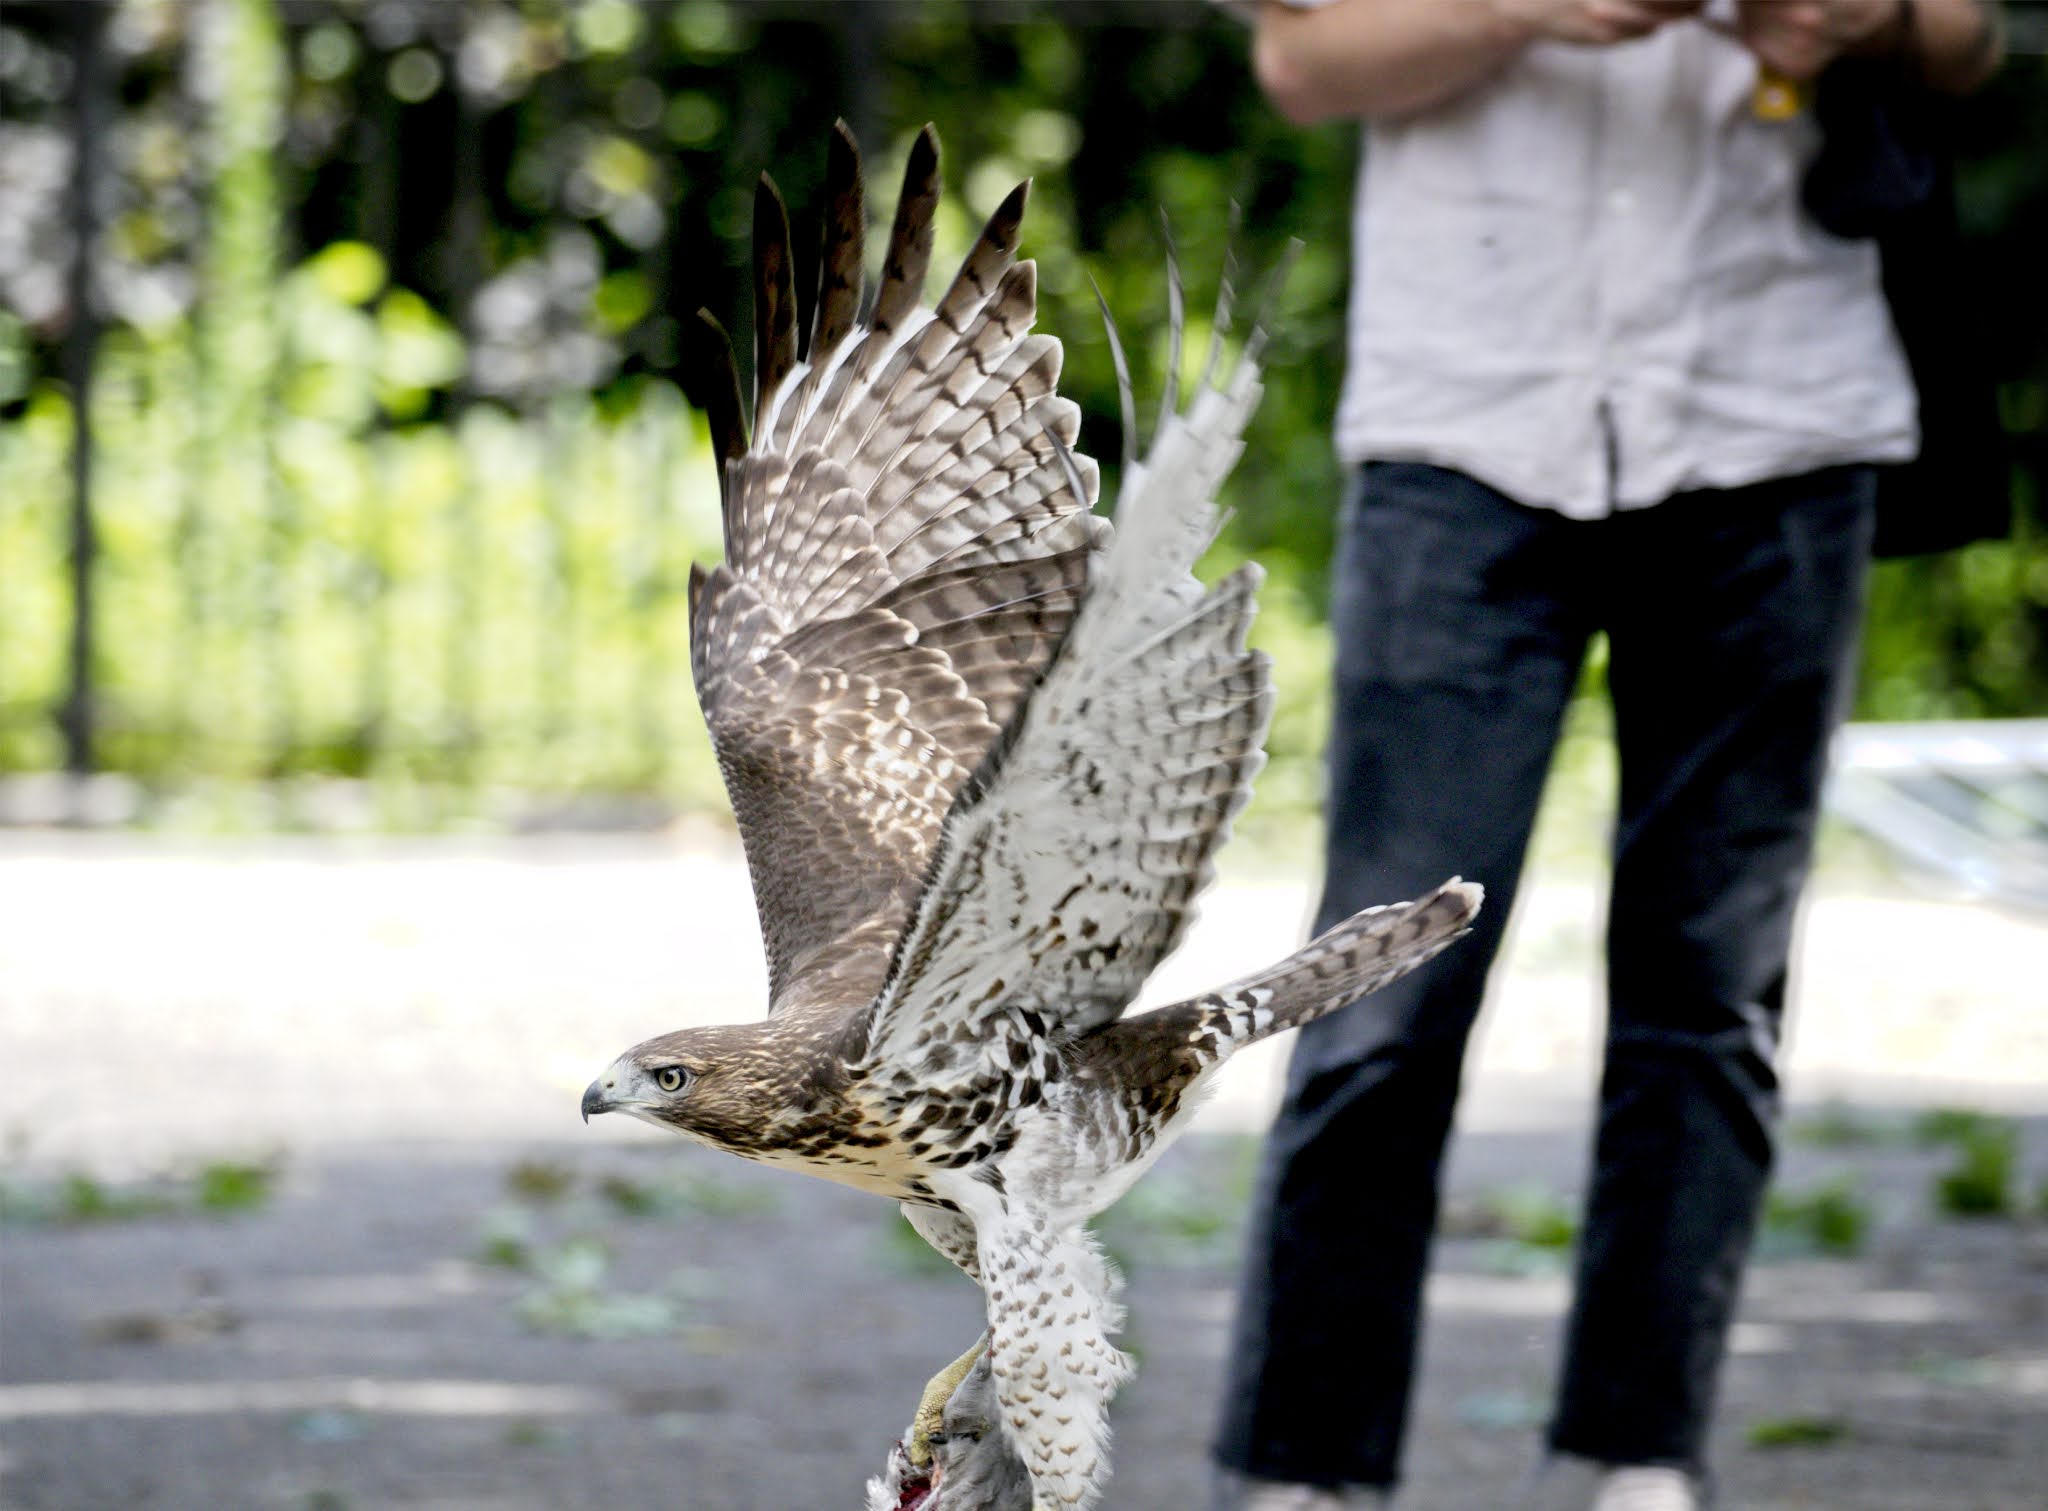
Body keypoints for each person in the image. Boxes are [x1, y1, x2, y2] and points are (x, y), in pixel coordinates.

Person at [1210, 3, 2005, 1509]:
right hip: (1467, 422)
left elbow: (1962, 40)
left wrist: (1873, 18)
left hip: (1777, 408)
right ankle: (1305, 1473)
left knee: (1707, 997)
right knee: (1384, 985)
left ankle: (1634, 1460)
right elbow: (1303, 62)